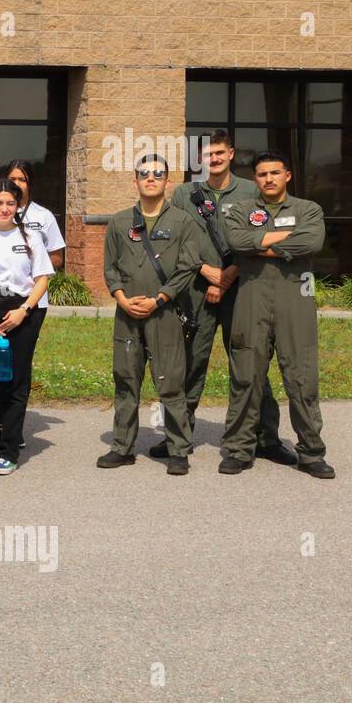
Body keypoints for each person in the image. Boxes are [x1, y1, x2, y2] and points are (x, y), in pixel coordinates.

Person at [170, 130, 294, 465]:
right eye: (208, 154)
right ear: (201, 158)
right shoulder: (185, 194)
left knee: (249, 366)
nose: (214, 159)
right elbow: (175, 241)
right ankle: (178, 438)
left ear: (231, 154)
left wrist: (226, 276)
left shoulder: (252, 191)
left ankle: (266, 438)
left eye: (220, 153)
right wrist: (205, 271)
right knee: (191, 365)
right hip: (196, 291)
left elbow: (264, 238)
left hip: (242, 289)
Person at [219, 151, 333, 479]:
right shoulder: (242, 209)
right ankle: (240, 448)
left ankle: (311, 453)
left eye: (275, 172)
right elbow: (237, 240)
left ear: (287, 176)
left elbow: (312, 241)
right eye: (262, 174)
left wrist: (260, 245)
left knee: (301, 376)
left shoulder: (308, 209)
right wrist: (286, 242)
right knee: (246, 375)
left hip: (295, 299)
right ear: (255, 179)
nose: (268, 178)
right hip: (251, 299)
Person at [95, 155, 201, 476]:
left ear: (168, 181)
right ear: (135, 180)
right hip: (127, 313)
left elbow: (188, 266)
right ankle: (123, 447)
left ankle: (178, 449)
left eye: (158, 173)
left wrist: (159, 298)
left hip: (164, 313)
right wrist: (121, 298)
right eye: (144, 174)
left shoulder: (183, 221)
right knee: (126, 380)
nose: (150, 178)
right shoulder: (118, 222)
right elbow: (110, 267)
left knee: (170, 382)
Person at [0, 178, 54, 476]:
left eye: (11, 203)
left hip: (22, 311)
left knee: (15, 383)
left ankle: (8, 449)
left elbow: (42, 279)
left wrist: (23, 310)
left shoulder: (30, 238)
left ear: (18, 206)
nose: (4, 209)